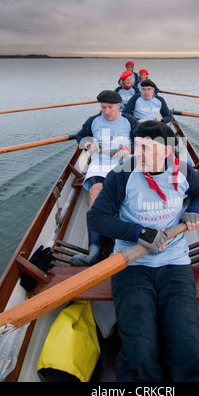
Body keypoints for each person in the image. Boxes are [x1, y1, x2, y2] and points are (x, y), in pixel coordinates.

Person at [87, 120, 199, 382]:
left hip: (175, 265)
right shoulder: (123, 173)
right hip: (132, 266)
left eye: (145, 148)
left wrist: (194, 210)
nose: (137, 154)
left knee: (187, 349)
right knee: (140, 352)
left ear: (166, 152)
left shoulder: (184, 171)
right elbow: (96, 219)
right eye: (136, 146)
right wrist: (140, 233)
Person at [73, 90, 138, 266]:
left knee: (125, 199)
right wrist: (87, 143)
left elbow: (141, 141)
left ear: (119, 106)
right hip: (99, 165)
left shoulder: (130, 121)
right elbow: (80, 137)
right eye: (103, 107)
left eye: (110, 107)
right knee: (96, 194)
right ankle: (93, 250)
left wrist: (129, 150)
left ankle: (118, 248)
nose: (107, 111)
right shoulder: (93, 121)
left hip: (123, 164)